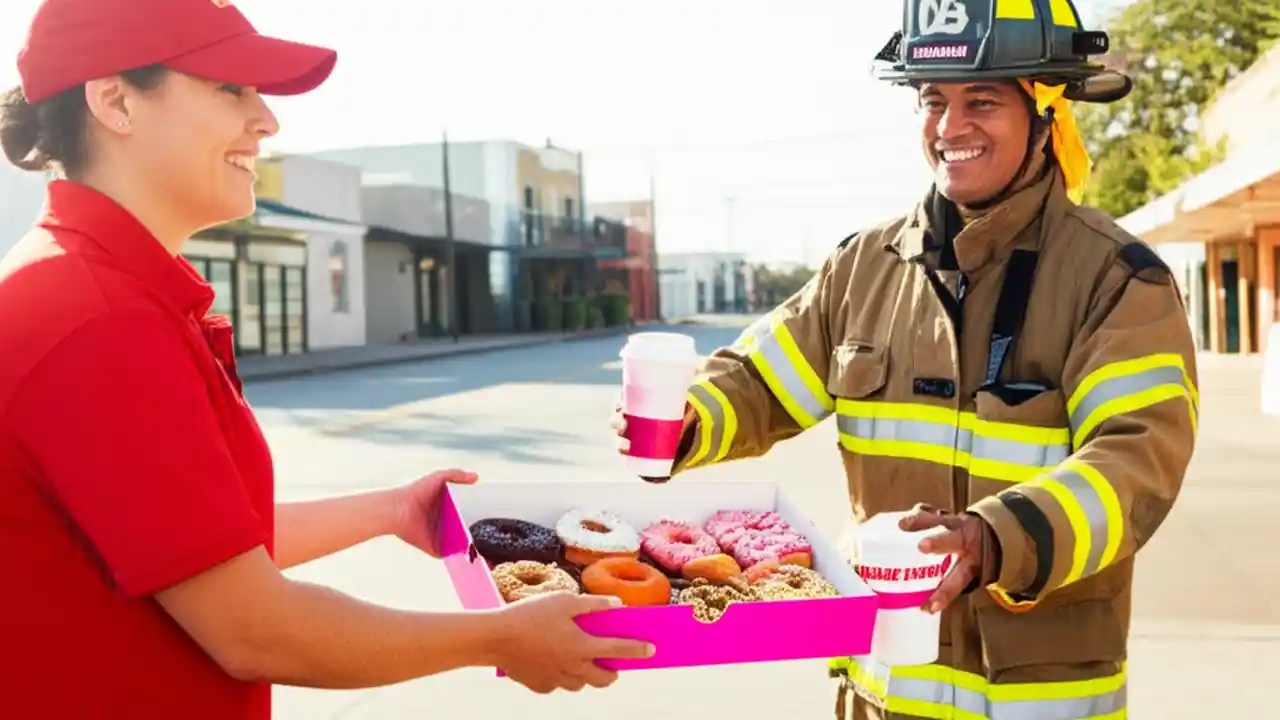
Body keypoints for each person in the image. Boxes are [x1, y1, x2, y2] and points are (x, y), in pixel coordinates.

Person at [0, 0, 653, 718]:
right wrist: (499, 638)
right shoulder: (96, 320)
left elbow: (198, 543)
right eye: (231, 88)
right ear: (116, 101)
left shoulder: (96, 290)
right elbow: (256, 631)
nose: (267, 121)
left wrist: (391, 510)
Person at [613, 1, 1197, 718]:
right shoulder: (864, 266)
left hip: (1037, 700)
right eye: (933, 101)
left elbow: (1137, 463)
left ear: (1046, 112)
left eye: (982, 100)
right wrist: (687, 422)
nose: (951, 127)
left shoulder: (1115, 278)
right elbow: (762, 380)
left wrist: (994, 538)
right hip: (880, 694)